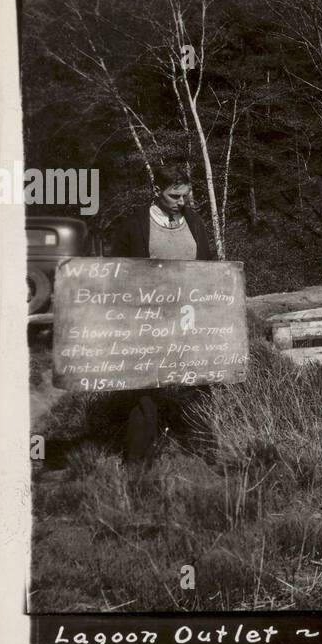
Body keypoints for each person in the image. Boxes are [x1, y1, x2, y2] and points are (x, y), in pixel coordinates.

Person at [114, 169, 214, 461]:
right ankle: (137, 460)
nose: (181, 201)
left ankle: (203, 447)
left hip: (189, 315)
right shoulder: (135, 224)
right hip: (148, 318)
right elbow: (117, 271)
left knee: (200, 381)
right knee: (145, 386)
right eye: (174, 195)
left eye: (185, 195)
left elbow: (209, 264)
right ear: (157, 189)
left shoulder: (193, 221)